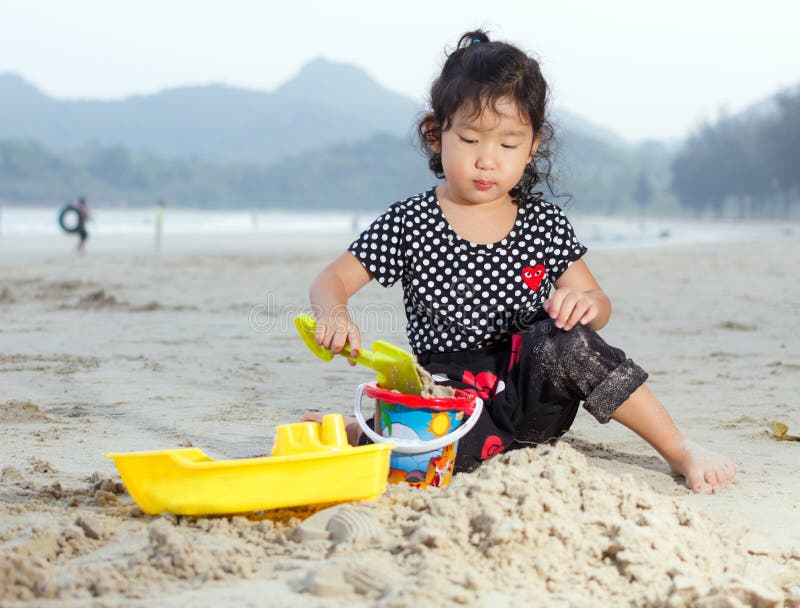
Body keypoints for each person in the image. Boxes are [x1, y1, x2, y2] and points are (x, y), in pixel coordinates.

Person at [302, 30, 736, 494]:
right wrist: (335, 314)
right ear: (435, 134)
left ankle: (679, 449)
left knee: (568, 342)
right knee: (433, 456)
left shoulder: (543, 223)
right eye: (469, 140)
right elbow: (332, 279)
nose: (487, 161)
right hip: (452, 396)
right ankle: (363, 430)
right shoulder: (412, 220)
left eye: (508, 145)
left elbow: (598, 300)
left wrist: (584, 304)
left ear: (533, 147)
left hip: (533, 390)